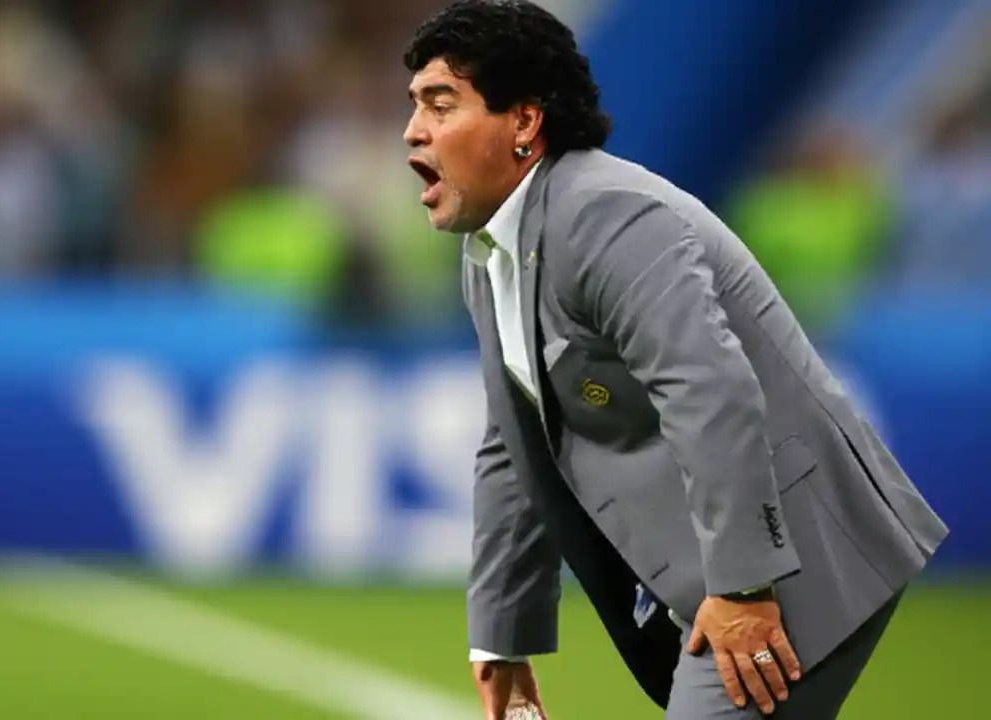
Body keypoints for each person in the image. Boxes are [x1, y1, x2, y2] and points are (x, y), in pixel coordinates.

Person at [399, 2, 948, 718]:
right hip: (722, 575)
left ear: (524, 123)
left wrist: (748, 590)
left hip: (793, 566)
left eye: (441, 104)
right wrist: (502, 636)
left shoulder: (606, 215)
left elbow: (710, 389)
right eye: (415, 105)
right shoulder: (490, 249)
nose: (413, 130)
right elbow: (513, 444)